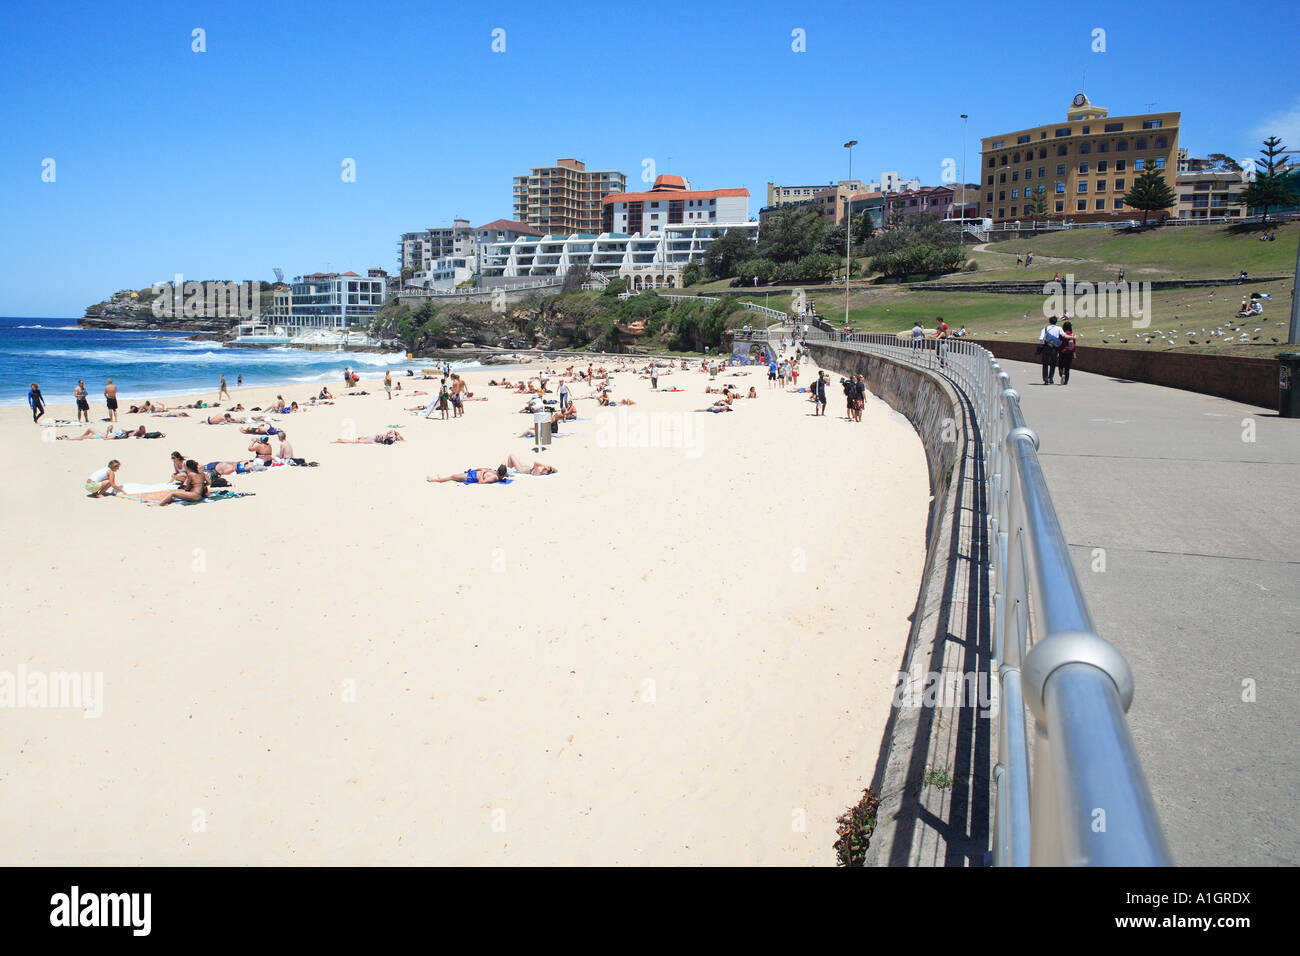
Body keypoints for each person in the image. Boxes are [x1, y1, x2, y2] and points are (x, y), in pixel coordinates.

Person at [1039, 315, 1064, 384]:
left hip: (1047, 346)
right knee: (1053, 363)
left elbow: (1041, 338)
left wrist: (1041, 346)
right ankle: (1051, 378)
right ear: (1056, 322)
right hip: (1055, 347)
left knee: (1045, 363)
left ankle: (1046, 379)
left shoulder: (1045, 328)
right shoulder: (1059, 328)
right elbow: (1063, 335)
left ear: (1049, 321)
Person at [427, 464, 508, 484]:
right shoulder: (497, 474)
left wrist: (483, 472)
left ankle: (434, 480)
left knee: (452, 477)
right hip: (473, 474)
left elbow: (481, 482)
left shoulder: (494, 477)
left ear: (498, 472)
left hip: (470, 477)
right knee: (453, 476)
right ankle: (441, 479)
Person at [1057, 320, 1078, 385]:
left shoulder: (1062, 335)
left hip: (1062, 352)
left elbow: (1059, 344)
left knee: (1061, 366)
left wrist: (1058, 351)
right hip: (1070, 352)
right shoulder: (1073, 335)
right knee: (1067, 368)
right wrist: (1074, 353)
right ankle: (1066, 381)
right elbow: (1074, 345)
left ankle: (1061, 374)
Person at [333, 431, 404, 444]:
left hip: (375, 438)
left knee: (359, 440)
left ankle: (343, 440)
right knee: (359, 440)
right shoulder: (392, 435)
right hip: (375, 438)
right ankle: (343, 440)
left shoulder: (392, 437)